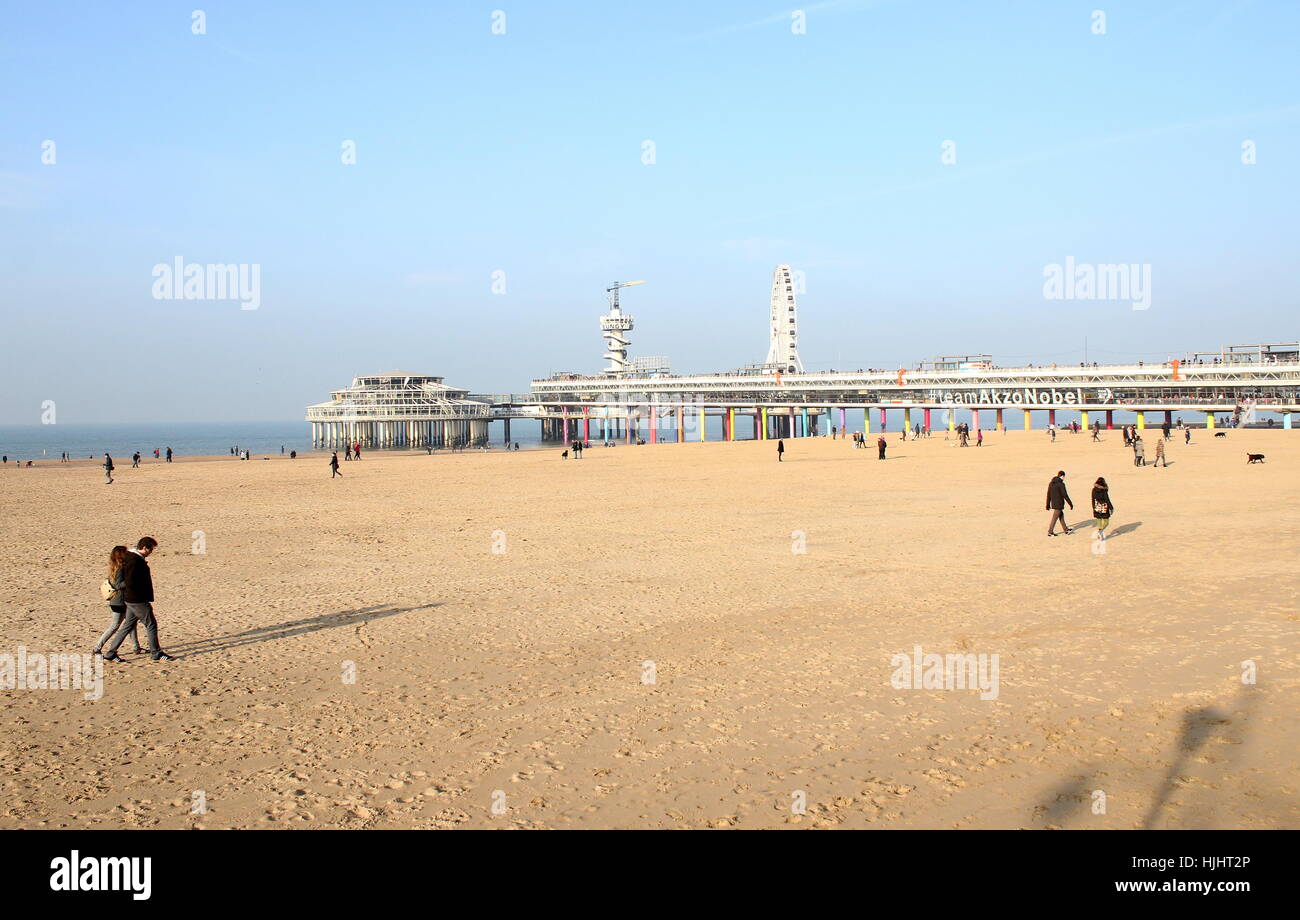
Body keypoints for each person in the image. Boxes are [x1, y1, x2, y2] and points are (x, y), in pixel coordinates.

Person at [102, 537, 171, 661]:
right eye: (151, 549)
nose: (151, 552)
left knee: (127, 626)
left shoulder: (131, 557)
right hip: (137, 599)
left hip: (131, 599)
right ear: (144, 547)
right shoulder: (134, 560)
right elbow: (130, 581)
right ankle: (156, 653)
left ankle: (111, 653)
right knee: (151, 624)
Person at [93, 546, 143, 656]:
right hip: (119, 601)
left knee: (131, 623)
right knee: (115, 626)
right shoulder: (119, 568)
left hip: (117, 600)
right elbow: (118, 584)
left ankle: (136, 647)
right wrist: (131, 581)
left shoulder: (114, 566)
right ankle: (97, 647)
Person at [1045, 470, 1073, 536]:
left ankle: (1066, 529)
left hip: (1054, 503)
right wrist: (1070, 504)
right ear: (1062, 476)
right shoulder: (1061, 484)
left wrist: (1048, 504)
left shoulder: (1051, 483)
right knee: (1054, 518)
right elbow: (1065, 495)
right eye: (1064, 477)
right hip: (1059, 504)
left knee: (1061, 516)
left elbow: (1048, 494)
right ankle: (1050, 532)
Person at [1091, 477, 1115, 541]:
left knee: (1099, 522)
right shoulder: (1104, 490)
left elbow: (1093, 499)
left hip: (1097, 506)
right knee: (1106, 522)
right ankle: (1100, 532)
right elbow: (1107, 500)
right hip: (1104, 507)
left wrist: (1093, 507)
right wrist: (1111, 508)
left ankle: (1100, 535)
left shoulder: (1093, 489)